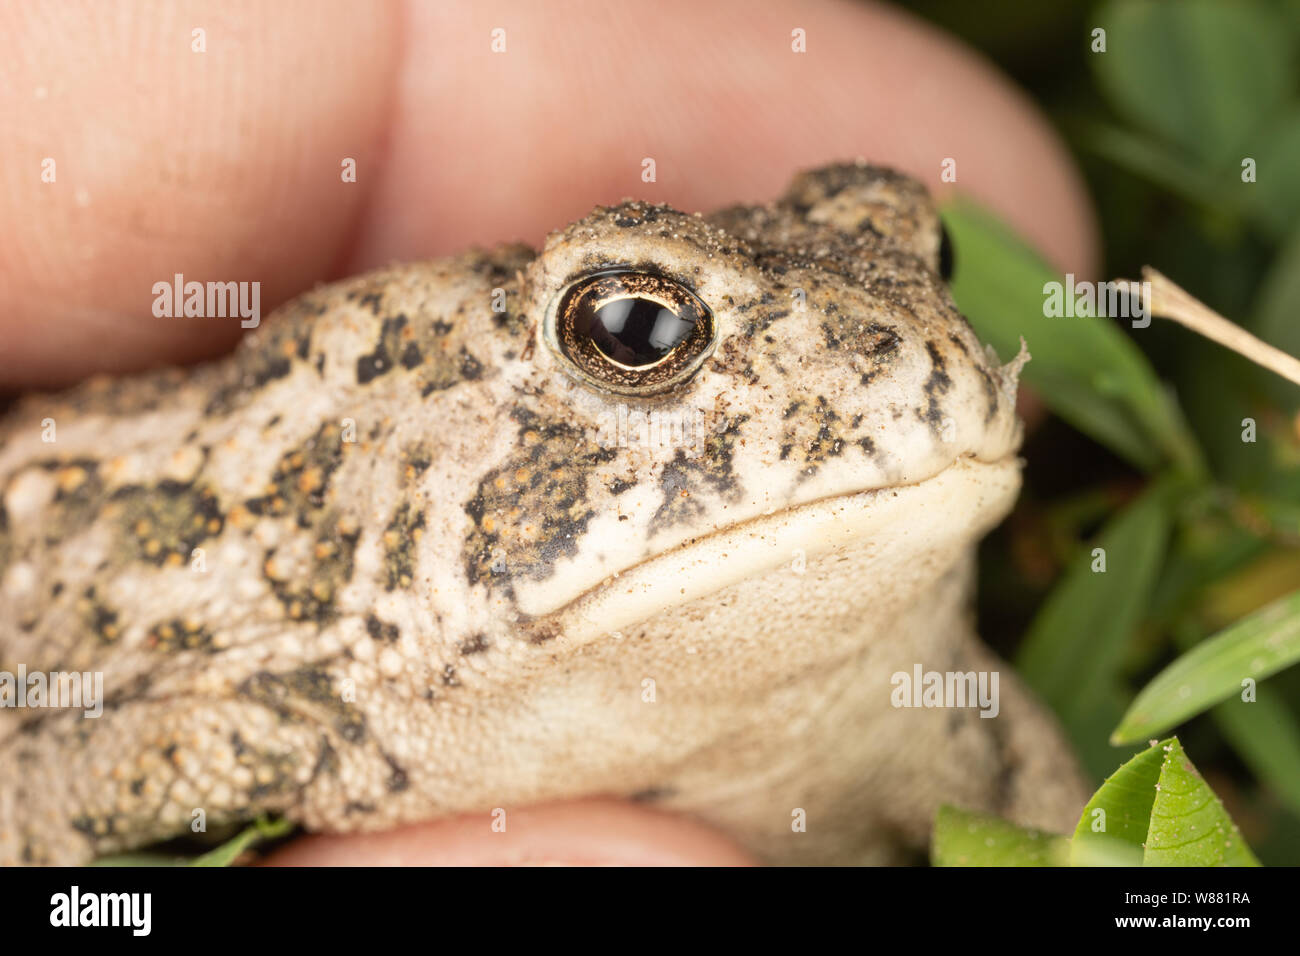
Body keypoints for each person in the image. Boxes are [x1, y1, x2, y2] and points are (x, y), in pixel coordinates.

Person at [2, 0, 1096, 865]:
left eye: (928, 267)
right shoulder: (278, 699)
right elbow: (34, 798)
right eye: (637, 330)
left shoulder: (933, 697)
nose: (909, 352)